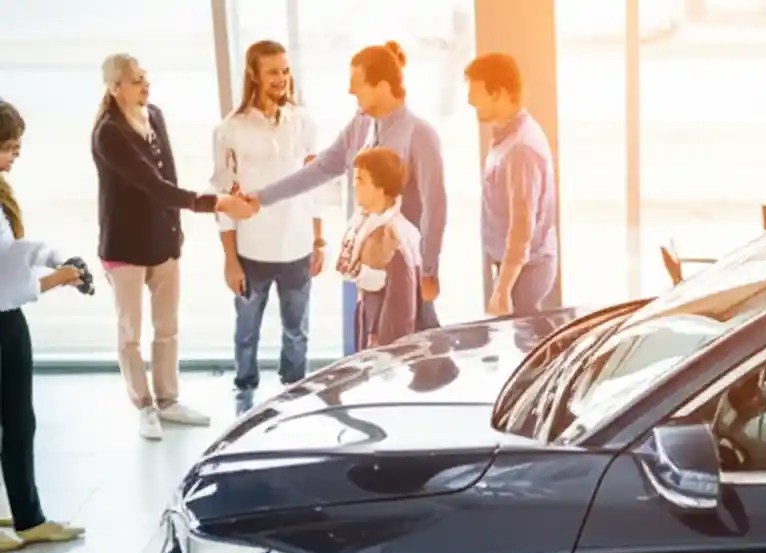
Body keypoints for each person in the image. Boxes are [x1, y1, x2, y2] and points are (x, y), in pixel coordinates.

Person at [229, 41, 447, 336]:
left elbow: (435, 206)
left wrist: (430, 269)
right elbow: (320, 168)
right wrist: (261, 198)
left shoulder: (420, 134)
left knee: (414, 343)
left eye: (357, 83)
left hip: (401, 269)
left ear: (382, 87)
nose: (350, 90)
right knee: (370, 344)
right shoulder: (361, 125)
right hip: (365, 269)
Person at [91, 53, 246, 440]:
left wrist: (175, 231)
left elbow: (169, 173)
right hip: (124, 246)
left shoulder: (154, 115)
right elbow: (152, 185)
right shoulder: (109, 132)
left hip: (162, 240)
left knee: (168, 327)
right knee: (130, 332)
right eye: (136, 80)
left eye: (145, 77)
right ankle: (144, 405)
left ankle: (168, 399)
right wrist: (213, 202)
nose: (145, 85)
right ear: (115, 87)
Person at [210, 40, 324, 409]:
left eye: (285, 70)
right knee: (246, 334)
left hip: (297, 248)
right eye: (273, 71)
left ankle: (295, 398)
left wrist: (319, 241)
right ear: (254, 75)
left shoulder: (305, 122)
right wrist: (230, 259)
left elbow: (315, 185)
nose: (281, 78)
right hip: (251, 252)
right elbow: (222, 196)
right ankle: (244, 398)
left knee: (297, 333)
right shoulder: (230, 129)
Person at [0, 99, 87, 553]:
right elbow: (5, 280)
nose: (16, 155)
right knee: (14, 419)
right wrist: (61, 277)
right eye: (9, 146)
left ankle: (28, 517)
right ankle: (28, 518)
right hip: (3, 317)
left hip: (7, 319)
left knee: (18, 420)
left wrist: (51, 258)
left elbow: (11, 256)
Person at [465, 53, 558, 317]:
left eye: (476, 92)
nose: (470, 100)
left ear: (500, 94)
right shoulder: (506, 138)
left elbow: (521, 226)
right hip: (516, 269)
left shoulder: (520, 150)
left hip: (525, 274)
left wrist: (503, 288)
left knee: (524, 339)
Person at [336, 147, 422, 351]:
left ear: (380, 188)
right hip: (368, 322)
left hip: (384, 338)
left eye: (360, 180)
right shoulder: (363, 223)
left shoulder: (395, 234)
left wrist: (386, 353)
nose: (354, 186)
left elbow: (401, 315)